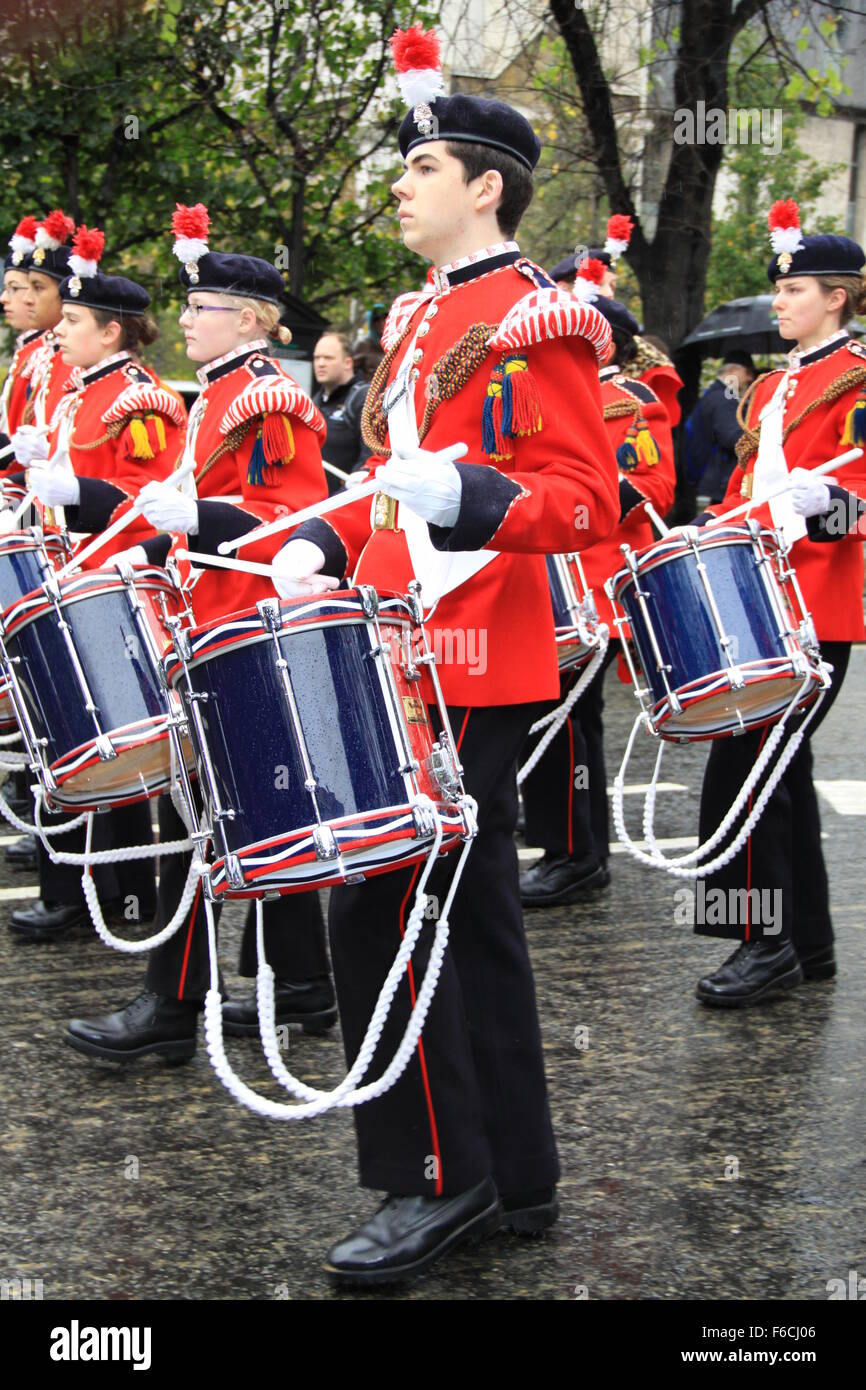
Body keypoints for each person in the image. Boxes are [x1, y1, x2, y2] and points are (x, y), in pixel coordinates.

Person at [268, 23, 619, 1286]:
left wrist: (461, 493)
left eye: (419, 171)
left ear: (485, 185)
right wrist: (322, 527)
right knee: (463, 920)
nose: (396, 187)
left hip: (470, 661)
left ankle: (437, 1176)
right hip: (400, 643)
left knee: (383, 909)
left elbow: (587, 504)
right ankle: (512, 1176)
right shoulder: (415, 317)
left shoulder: (538, 318)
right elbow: (390, 486)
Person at [64, 203, 337, 1062]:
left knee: (200, 818)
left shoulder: (266, 398)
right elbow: (179, 514)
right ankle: (303, 984)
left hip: (242, 626)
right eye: (186, 305)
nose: (183, 317)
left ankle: (174, 1006)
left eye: (203, 306)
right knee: (254, 809)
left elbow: (283, 520)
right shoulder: (216, 393)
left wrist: (203, 519)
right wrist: (113, 541)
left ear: (251, 319)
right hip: (205, 615)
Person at [692, 199, 866, 1007]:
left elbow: (858, 501)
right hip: (755, 591)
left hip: (811, 602)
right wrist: (712, 519)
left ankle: (762, 944)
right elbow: (742, 485)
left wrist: (817, 498)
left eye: (795, 290)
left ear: (838, 296)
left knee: (746, 766)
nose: (780, 302)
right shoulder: (766, 392)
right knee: (778, 769)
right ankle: (809, 943)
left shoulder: (857, 379)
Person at [7, 224, 184, 943]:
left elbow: (140, 503)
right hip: (71, 569)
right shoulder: (85, 390)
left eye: (74, 321)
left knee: (101, 738)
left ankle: (106, 895)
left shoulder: (134, 398)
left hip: (108, 585)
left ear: (111, 332)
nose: (62, 332)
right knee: (72, 730)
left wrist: (79, 503)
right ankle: (88, 890)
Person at [520, 273, 675, 906]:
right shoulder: (555, 397)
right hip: (550, 581)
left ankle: (576, 855)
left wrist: (579, 507)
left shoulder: (628, 401)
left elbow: (653, 488)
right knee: (557, 720)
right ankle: (571, 840)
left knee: (563, 720)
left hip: (600, 585)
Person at [683, 350, 756, 501]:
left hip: (709, 475)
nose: (750, 378)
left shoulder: (712, 394)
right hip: (720, 479)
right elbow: (732, 438)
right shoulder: (724, 399)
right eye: (747, 372)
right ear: (732, 370)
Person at [311, 329, 371, 493]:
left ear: (348, 363)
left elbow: (370, 458)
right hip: (311, 505)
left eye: (328, 358)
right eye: (317, 358)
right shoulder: (314, 402)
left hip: (343, 504)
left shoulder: (364, 398)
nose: (320, 363)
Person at [352, 303, 387, 382]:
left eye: (384, 318)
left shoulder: (394, 342)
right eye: (377, 320)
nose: (382, 323)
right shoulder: (364, 344)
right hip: (372, 390)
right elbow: (350, 371)